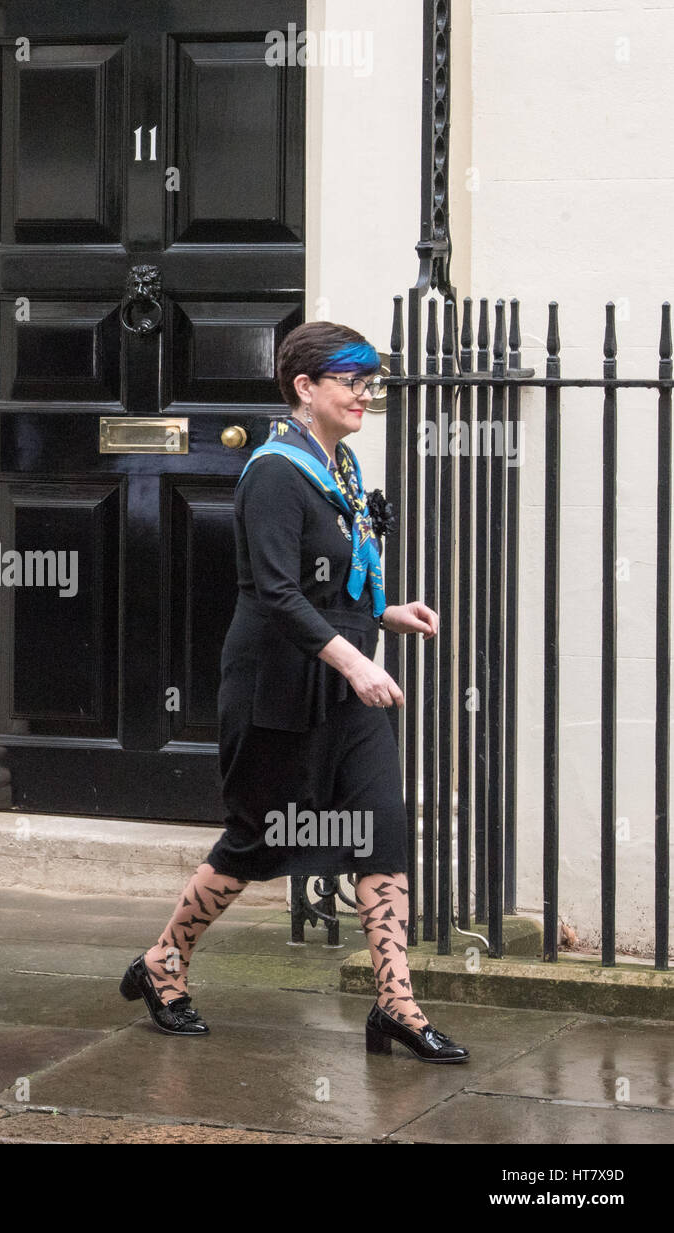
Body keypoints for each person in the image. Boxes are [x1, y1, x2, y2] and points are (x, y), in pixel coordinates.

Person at [120, 320, 469, 1064]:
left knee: (382, 831)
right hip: (279, 689)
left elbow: (332, 583)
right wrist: (357, 661)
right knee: (257, 841)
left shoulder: (337, 465)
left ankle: (396, 1006)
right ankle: (163, 963)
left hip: (346, 690)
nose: (365, 396)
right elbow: (278, 592)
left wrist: (386, 614)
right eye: (352, 382)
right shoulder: (275, 471)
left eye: (370, 382)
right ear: (305, 388)